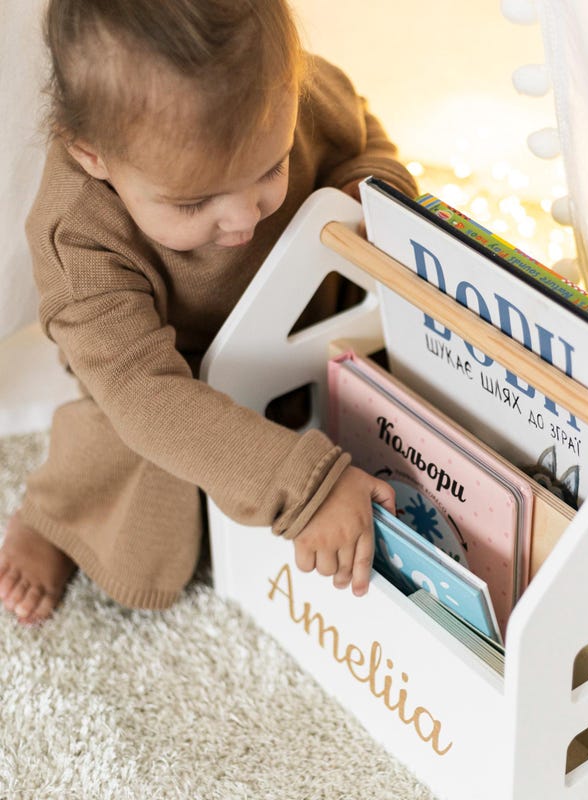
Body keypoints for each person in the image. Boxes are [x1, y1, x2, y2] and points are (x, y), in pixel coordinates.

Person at [0, 0, 417, 624]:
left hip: (302, 320)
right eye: (194, 203)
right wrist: (306, 488)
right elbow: (144, 399)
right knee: (126, 458)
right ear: (92, 155)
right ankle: (56, 519)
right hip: (166, 374)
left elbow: (361, 131)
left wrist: (372, 183)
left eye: (271, 168)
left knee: (384, 398)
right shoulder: (79, 237)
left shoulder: (288, 91)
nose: (245, 218)